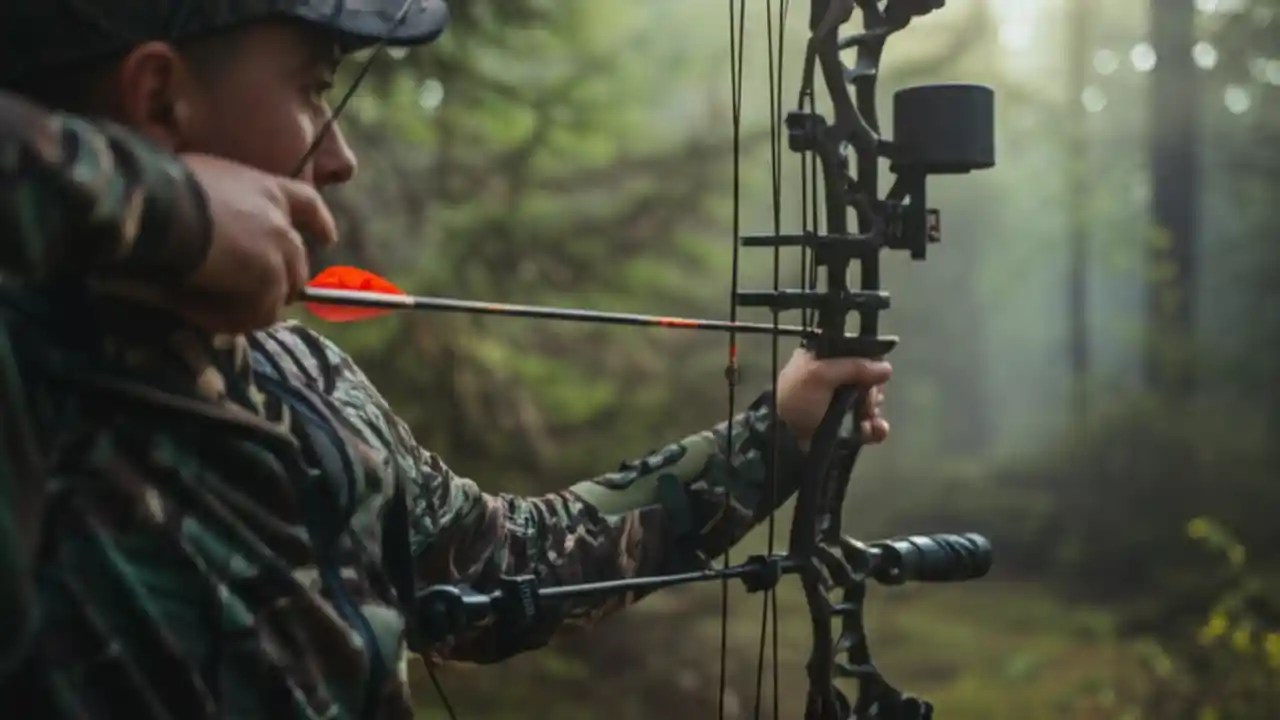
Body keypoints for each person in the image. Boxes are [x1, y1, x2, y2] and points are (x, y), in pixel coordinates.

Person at [0, 2, 893, 718]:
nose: (339, 156)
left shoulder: (298, 374)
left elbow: (500, 564)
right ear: (158, 99)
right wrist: (170, 208)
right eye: (313, 91)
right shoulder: (28, 362)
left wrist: (776, 433)